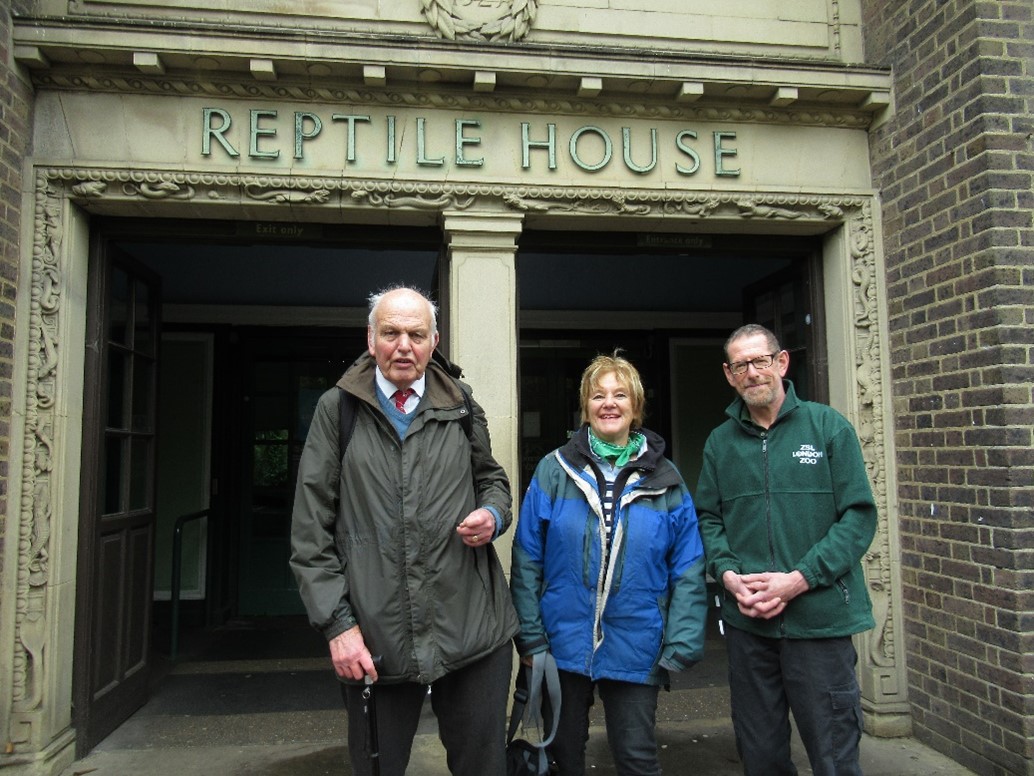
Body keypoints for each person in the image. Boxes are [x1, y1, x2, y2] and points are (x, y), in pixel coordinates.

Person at [290, 285, 519, 776]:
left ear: (433, 342)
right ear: (370, 339)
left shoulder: (460, 403)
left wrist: (494, 515)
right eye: (390, 333)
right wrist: (338, 627)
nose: (403, 346)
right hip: (375, 639)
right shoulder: (340, 409)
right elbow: (310, 533)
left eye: (416, 334)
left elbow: (492, 481)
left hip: (472, 625)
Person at [510, 352, 708, 776]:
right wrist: (530, 639)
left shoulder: (666, 479)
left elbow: (688, 566)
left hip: (637, 642)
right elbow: (527, 559)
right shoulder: (553, 470)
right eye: (598, 395)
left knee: (637, 757)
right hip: (561, 644)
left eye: (620, 395)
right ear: (585, 406)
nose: (609, 403)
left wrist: (682, 640)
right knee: (563, 757)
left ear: (635, 407)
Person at [694, 324, 878, 776]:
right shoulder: (720, 443)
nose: (753, 373)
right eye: (742, 365)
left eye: (761, 361)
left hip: (819, 624)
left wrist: (800, 579)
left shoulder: (827, 426)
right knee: (761, 754)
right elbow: (708, 520)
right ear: (729, 374)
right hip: (748, 626)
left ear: (782, 363)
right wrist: (729, 574)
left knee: (833, 753)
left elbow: (858, 517)